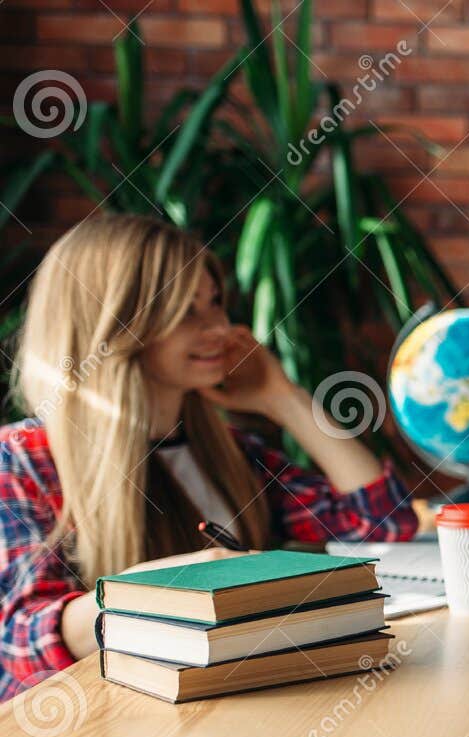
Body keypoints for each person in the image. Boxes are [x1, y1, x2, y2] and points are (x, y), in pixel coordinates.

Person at [0, 215, 418, 702]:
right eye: (185, 311)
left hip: (242, 704)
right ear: (113, 325)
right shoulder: (23, 459)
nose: (220, 328)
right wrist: (159, 594)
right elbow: (21, 644)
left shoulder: (225, 448)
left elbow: (383, 522)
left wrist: (284, 399)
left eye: (216, 303)